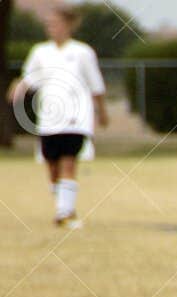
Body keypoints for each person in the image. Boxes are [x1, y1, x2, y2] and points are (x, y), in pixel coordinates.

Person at [7, 6, 107, 228]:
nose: (52, 28)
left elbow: (96, 86)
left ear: (69, 25)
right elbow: (29, 78)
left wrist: (102, 112)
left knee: (68, 163)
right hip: (49, 120)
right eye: (49, 25)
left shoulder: (83, 52)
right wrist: (18, 86)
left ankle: (63, 213)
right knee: (52, 168)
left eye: (57, 23)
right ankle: (65, 208)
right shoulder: (40, 52)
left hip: (75, 118)